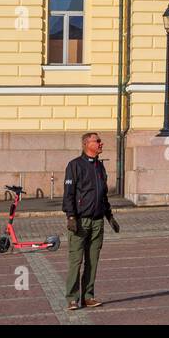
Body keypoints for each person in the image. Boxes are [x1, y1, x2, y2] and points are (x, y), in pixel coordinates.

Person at [62, 131, 119, 310]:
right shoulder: (75, 165)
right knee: (76, 260)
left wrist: (109, 216)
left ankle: (88, 296)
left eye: (100, 141)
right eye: (98, 141)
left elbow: (102, 196)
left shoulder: (100, 167)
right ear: (87, 144)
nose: (101, 143)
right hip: (80, 221)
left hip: (97, 222)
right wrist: (71, 216)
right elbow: (68, 194)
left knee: (92, 261)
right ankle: (72, 298)